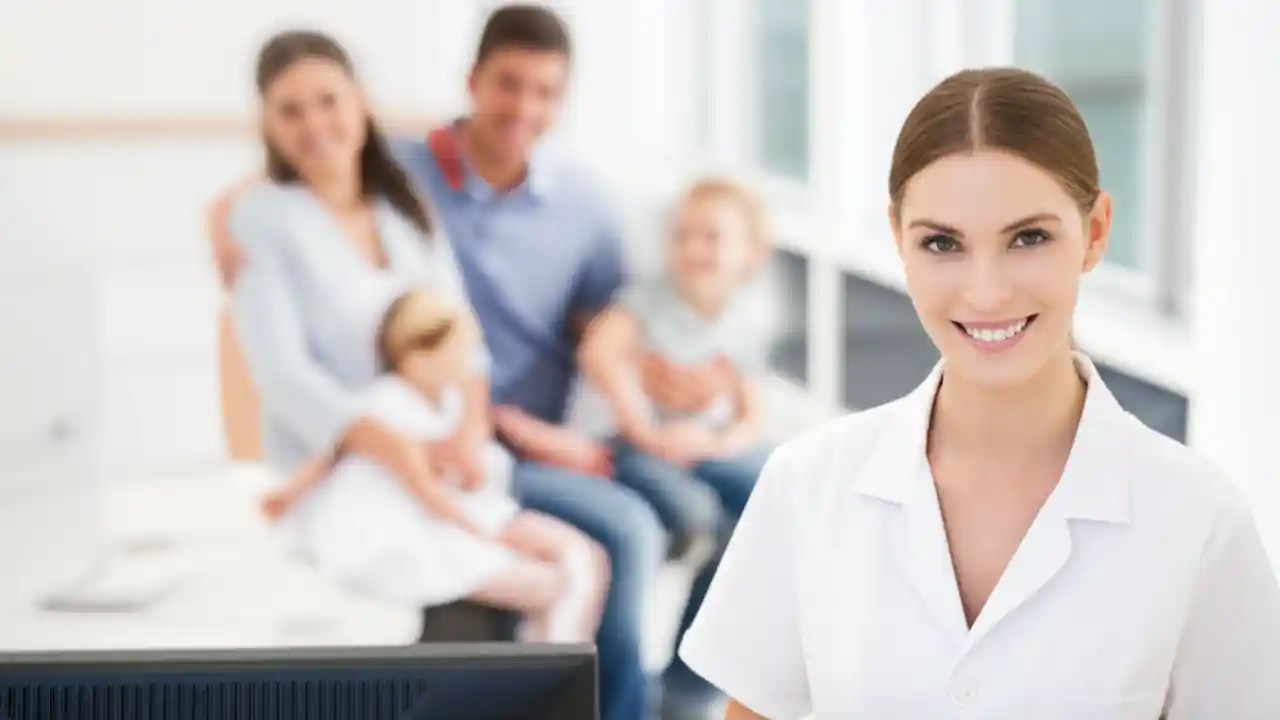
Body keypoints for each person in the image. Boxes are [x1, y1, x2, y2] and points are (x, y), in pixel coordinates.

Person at [678, 68, 1280, 719]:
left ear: (1097, 232)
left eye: (1029, 238)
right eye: (942, 243)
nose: (987, 291)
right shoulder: (807, 485)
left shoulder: (1199, 521)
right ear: (898, 239)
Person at [210, 7, 705, 718]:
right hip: (360, 462)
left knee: (601, 550)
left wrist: (469, 433)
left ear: (361, 104)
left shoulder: (400, 200)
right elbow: (286, 378)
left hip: (462, 447)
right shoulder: (269, 219)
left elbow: (462, 331)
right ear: (267, 122)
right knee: (579, 560)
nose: (316, 124)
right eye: (291, 110)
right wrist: (407, 450)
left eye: (330, 101)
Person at [255, 286, 607, 643]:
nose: (468, 362)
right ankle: (546, 676)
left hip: (461, 519)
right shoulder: (388, 404)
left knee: (582, 559)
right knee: (549, 584)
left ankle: (561, 675)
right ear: (418, 357)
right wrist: (488, 537)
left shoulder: (451, 404)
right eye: (459, 350)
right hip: (411, 536)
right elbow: (412, 487)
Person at [577, 179, 774, 717]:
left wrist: (712, 441)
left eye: (712, 237)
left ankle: (688, 687)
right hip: (639, 446)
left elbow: (751, 414)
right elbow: (600, 354)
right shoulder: (649, 299)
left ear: (749, 255)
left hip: (701, 448)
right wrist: (646, 431)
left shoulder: (742, 320)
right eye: (683, 236)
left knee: (770, 490)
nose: (694, 249)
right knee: (695, 513)